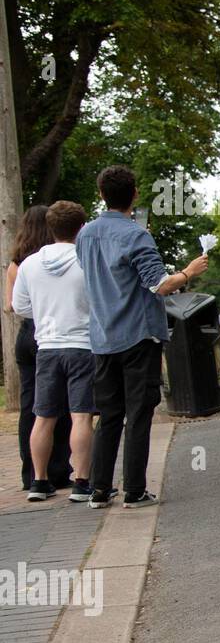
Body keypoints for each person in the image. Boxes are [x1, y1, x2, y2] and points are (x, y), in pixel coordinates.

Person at [76, 164, 210, 508]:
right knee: (137, 413)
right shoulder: (137, 235)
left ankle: (100, 489)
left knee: (108, 415)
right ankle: (134, 489)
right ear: (134, 194)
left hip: (102, 336)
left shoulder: (85, 235)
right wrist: (188, 271)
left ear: (101, 194)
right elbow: (160, 284)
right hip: (137, 334)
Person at [12, 201, 96, 502]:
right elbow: (99, 299)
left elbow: (19, 306)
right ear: (80, 227)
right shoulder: (86, 259)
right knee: (81, 416)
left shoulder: (31, 263)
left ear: (51, 226)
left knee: (43, 417)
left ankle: (39, 480)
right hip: (82, 345)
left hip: (46, 345)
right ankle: (82, 481)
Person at [4, 205, 73, 493]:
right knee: (63, 405)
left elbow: (11, 306)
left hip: (26, 334)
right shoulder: (53, 263)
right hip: (52, 334)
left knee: (31, 407)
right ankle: (58, 468)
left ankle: (31, 471)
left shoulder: (16, 265)